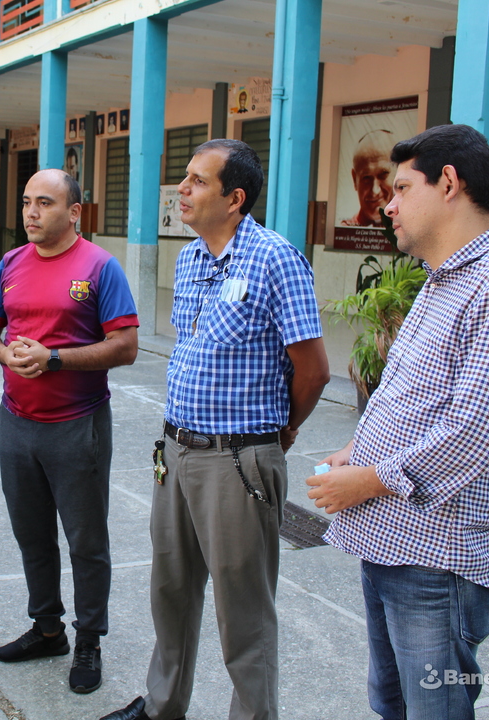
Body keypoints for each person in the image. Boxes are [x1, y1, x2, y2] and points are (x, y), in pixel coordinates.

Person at [307, 124, 489, 720]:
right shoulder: (444, 280)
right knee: (393, 702)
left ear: (448, 183)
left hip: (436, 557)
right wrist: (356, 451)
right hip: (394, 540)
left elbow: (478, 429)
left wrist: (370, 480)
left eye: (401, 188)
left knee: (433, 709)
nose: (388, 205)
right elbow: (414, 399)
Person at [100, 139, 329, 720]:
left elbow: (314, 370)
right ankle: (161, 707)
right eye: (185, 177)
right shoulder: (192, 259)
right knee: (170, 592)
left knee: (243, 612)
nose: (183, 188)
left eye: (198, 181)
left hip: (237, 462)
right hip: (175, 451)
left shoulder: (275, 259)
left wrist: (280, 435)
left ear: (235, 199)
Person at [0, 169, 139, 694]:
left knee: (86, 541)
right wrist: (5, 354)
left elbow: (126, 345)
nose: (31, 213)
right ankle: (47, 629)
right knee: (32, 536)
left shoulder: (100, 267)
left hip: (77, 426)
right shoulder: (11, 263)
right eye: (26, 202)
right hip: (17, 422)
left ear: (74, 212)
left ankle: (88, 639)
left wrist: (56, 359)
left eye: (44, 203)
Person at [339, 128, 397, 227]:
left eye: (383, 175)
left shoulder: (409, 227)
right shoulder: (346, 228)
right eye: (366, 178)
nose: (375, 190)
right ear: (354, 179)